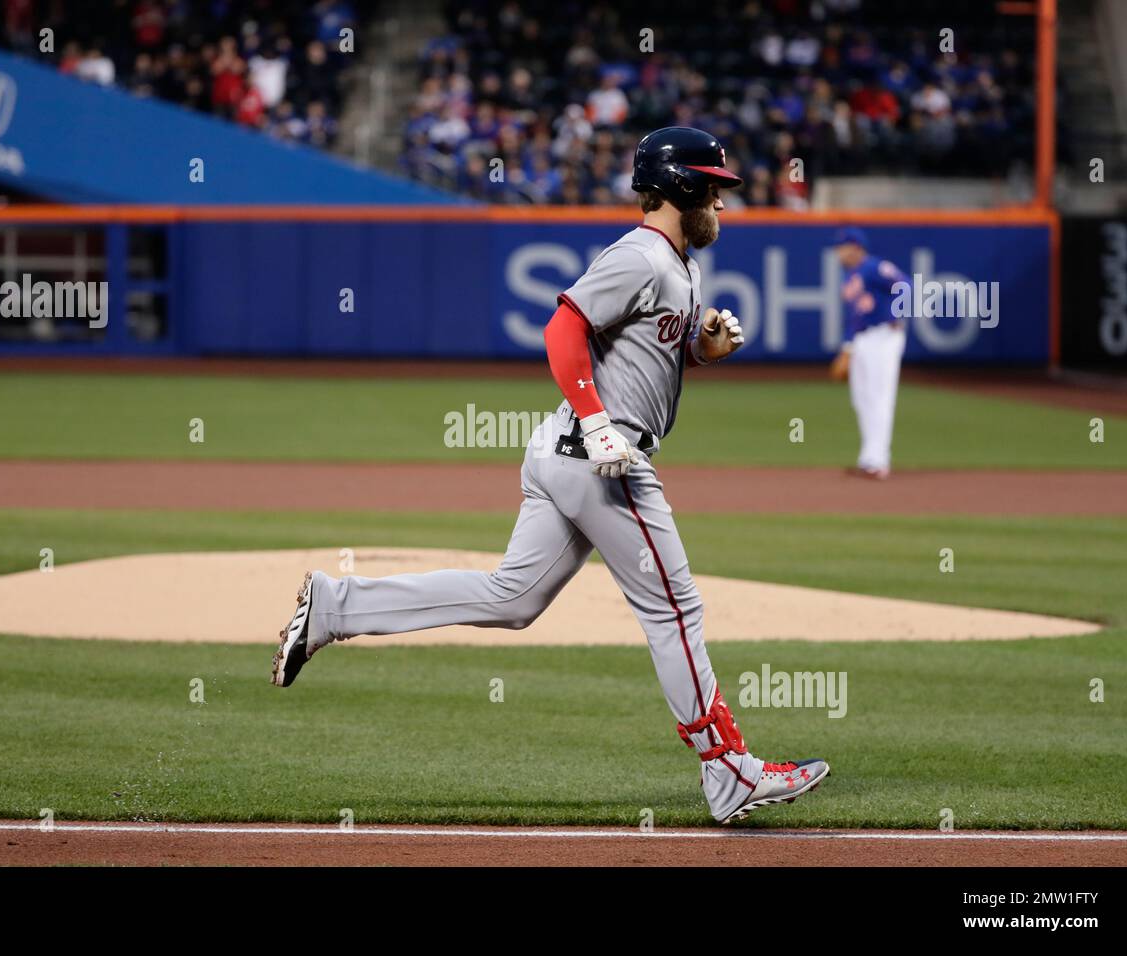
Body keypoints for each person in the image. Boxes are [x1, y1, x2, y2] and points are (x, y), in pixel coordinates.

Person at [272, 128, 830, 824]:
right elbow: (563, 330)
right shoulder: (641, 256)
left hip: (564, 453)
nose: (721, 200)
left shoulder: (676, 266)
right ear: (681, 186)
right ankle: (726, 769)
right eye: (712, 187)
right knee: (675, 608)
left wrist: (700, 350)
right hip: (602, 457)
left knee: (514, 597)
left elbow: (637, 354)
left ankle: (337, 606)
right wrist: (597, 421)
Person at [828, 227, 909, 479]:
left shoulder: (874, 267)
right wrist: (847, 348)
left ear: (855, 247)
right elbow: (854, 318)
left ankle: (879, 460)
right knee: (861, 399)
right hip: (862, 339)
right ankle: (868, 458)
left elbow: (906, 285)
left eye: (841, 247)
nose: (838, 253)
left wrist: (895, 315)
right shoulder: (850, 276)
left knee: (879, 398)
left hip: (883, 336)